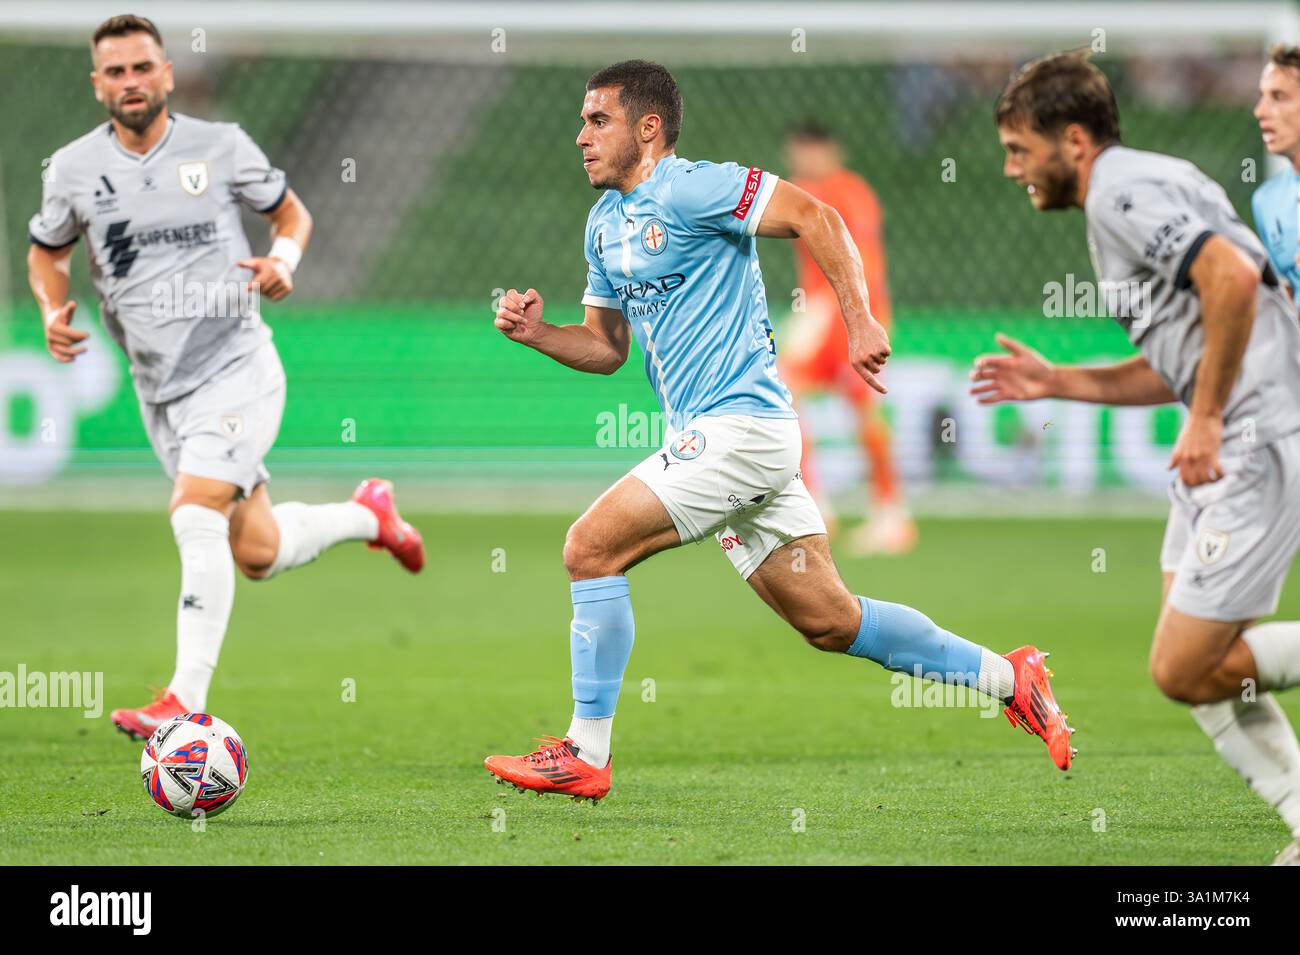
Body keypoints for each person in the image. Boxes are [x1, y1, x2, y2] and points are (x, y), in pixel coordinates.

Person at [484, 60, 1073, 803]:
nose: (581, 137)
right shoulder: (604, 226)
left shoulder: (695, 187)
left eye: (597, 120)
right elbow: (606, 348)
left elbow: (816, 217)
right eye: (582, 121)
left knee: (589, 547)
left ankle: (585, 750)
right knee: (831, 620)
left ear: (649, 128)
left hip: (744, 428)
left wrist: (859, 317)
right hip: (724, 441)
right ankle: (1011, 675)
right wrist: (539, 334)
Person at [26, 15, 425, 739]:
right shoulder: (72, 169)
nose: (131, 82)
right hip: (161, 391)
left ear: (168, 74)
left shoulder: (221, 145)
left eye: (142, 67)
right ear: (97, 85)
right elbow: (46, 251)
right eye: (115, 72)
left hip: (237, 366)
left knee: (194, 510)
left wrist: (283, 263)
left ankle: (182, 698)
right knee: (257, 552)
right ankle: (373, 514)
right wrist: (53, 306)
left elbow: (292, 216)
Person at [975, 49, 1300, 865]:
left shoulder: (1120, 193)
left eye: (1020, 149)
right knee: (1200, 665)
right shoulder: (1148, 181)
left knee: (1184, 667)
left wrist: (1209, 416)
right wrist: (1058, 381)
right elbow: (1185, 350)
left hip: (1254, 434)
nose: (1012, 168)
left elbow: (1230, 279)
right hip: (1229, 430)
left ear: (1073, 141)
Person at [781, 122, 915, 553]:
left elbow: (861, 261)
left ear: (830, 150)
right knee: (787, 393)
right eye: (799, 151)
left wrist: (860, 317)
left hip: (850, 319)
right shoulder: (803, 190)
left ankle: (888, 512)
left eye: (811, 150)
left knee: (858, 408)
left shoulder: (846, 192)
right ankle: (820, 505)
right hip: (827, 316)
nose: (804, 159)